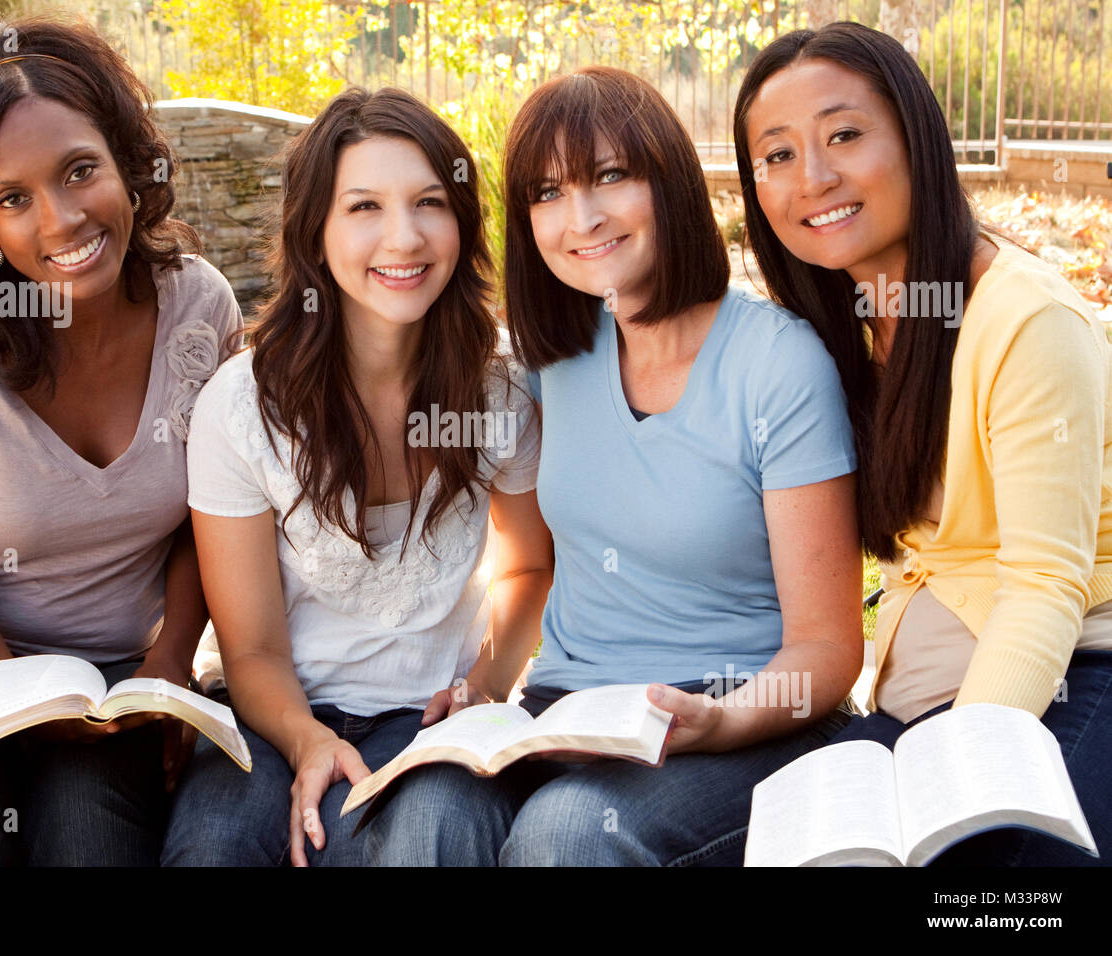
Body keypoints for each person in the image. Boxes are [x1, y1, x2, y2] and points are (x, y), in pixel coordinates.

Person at [364, 66, 861, 867]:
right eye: (548, 192)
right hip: (566, 715)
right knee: (429, 814)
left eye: (610, 177)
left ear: (667, 180)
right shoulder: (547, 364)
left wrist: (721, 721)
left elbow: (830, 651)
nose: (581, 217)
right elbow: (525, 561)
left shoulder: (778, 365)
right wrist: (486, 689)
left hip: (735, 719)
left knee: (563, 837)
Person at [0, 16, 242, 865]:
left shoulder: (199, 309)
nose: (62, 219)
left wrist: (170, 659)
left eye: (79, 171)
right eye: (13, 198)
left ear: (127, 165)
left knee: (88, 843)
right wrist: (21, 701)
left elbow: (208, 521)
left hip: (115, 684)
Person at [734, 21, 1112, 865]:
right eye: (778, 155)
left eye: (843, 135)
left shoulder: (1025, 320)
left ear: (917, 138)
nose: (815, 177)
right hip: (921, 689)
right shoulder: (832, 331)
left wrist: (964, 769)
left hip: (1074, 660)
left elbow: (1049, 583)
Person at [160, 86, 551, 867]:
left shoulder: (500, 390)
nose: (402, 237)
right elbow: (254, 650)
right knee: (214, 851)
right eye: (364, 207)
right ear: (316, 230)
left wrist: (482, 684)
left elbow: (530, 566)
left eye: (430, 202)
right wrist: (309, 741)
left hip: (437, 714)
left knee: (433, 838)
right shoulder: (243, 405)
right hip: (273, 713)